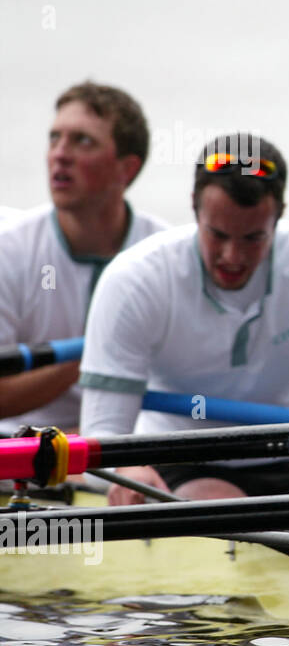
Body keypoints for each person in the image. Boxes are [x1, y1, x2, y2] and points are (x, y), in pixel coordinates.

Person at [79, 133, 289, 503]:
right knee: (214, 499)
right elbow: (101, 437)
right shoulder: (135, 280)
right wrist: (125, 470)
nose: (232, 257)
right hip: (181, 455)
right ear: (194, 207)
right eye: (218, 234)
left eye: (253, 238)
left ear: (279, 214)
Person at [0, 82, 168, 436]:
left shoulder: (164, 257)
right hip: (24, 447)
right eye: (54, 138)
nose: (60, 154)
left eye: (83, 141)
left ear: (127, 169)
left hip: (130, 445)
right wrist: (100, 351)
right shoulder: (10, 251)